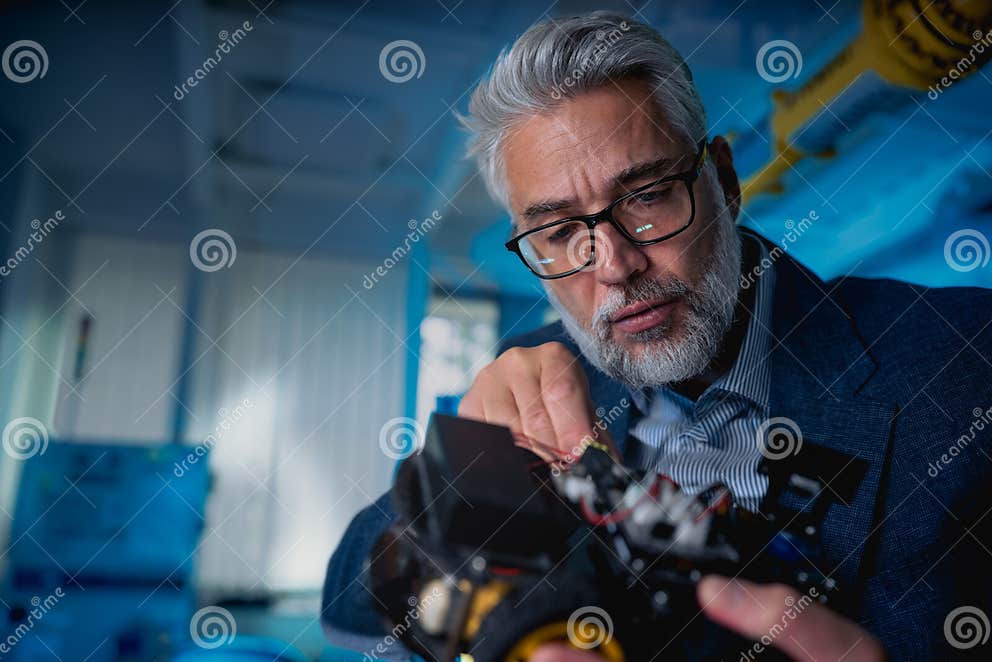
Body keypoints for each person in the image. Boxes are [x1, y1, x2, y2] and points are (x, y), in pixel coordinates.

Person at [322, 11, 992, 661]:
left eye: (647, 197)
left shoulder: (966, 359)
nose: (614, 266)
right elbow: (348, 598)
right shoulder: (537, 385)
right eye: (559, 233)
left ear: (725, 184)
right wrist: (460, 480)